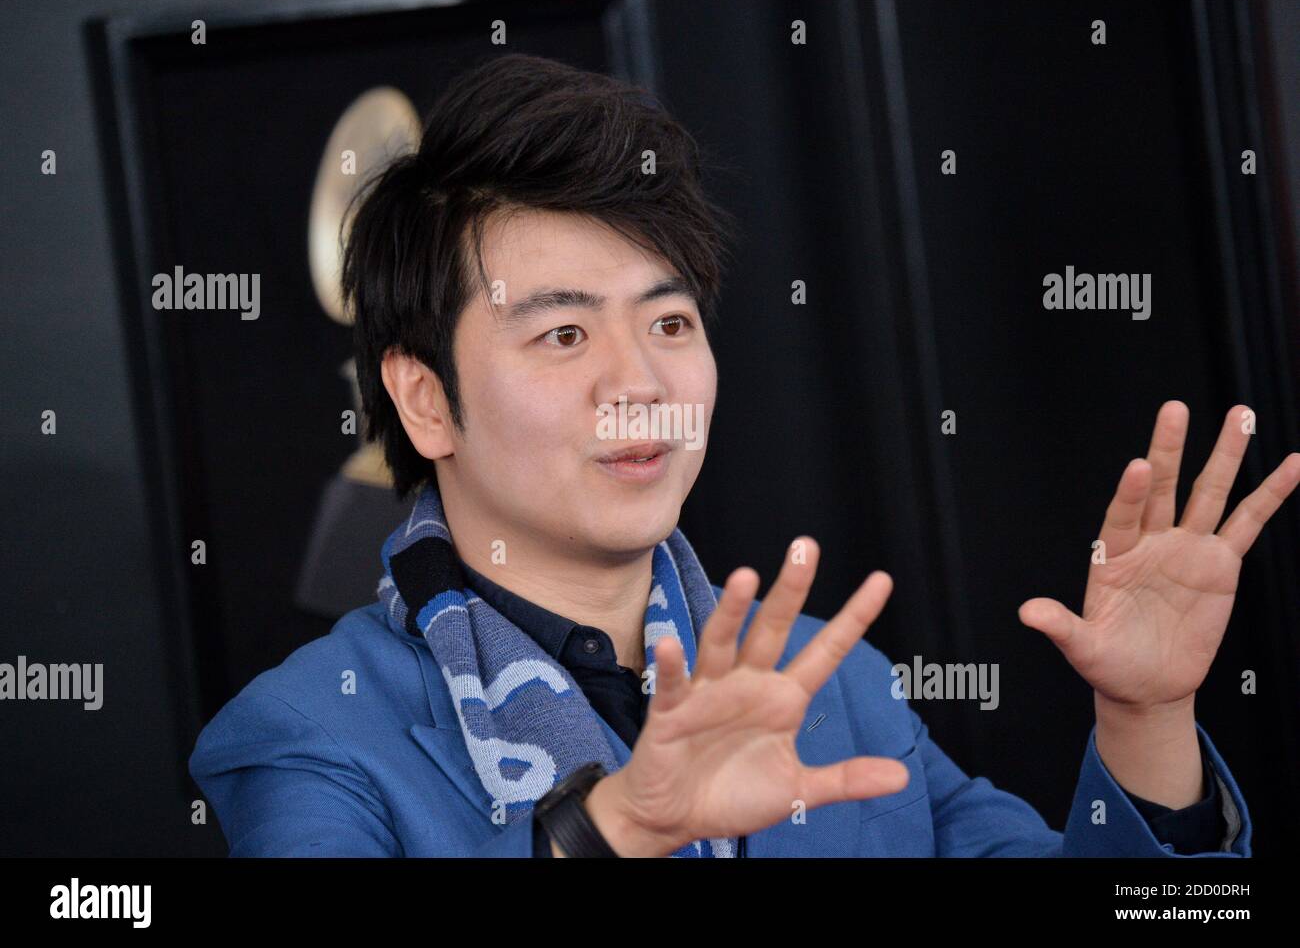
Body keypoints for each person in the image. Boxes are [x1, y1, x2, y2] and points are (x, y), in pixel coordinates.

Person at [189, 53, 1299, 857]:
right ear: (424, 399)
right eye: (564, 333)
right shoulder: (312, 733)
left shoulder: (836, 684)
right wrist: (609, 834)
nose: (642, 382)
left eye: (670, 323)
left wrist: (1148, 719)